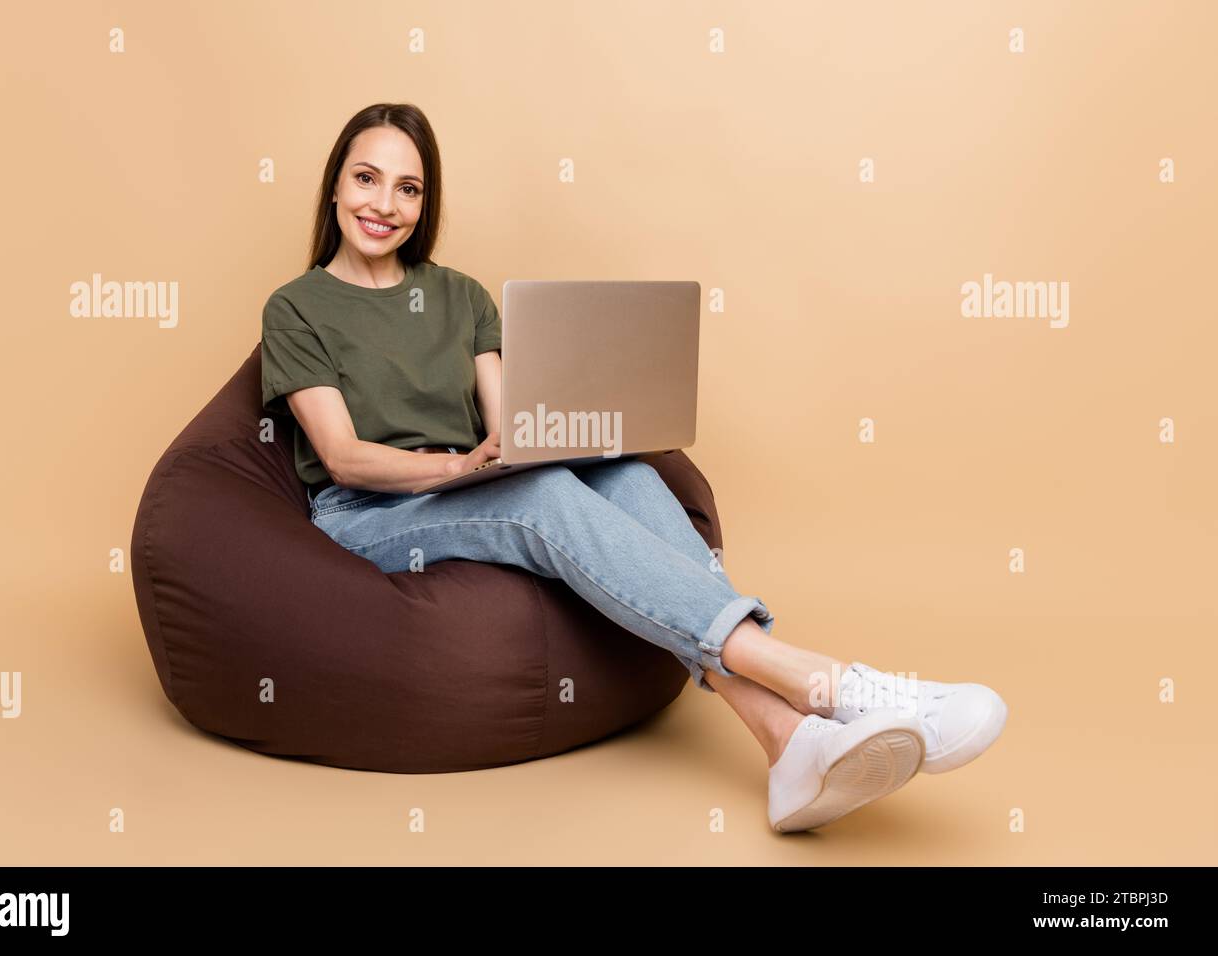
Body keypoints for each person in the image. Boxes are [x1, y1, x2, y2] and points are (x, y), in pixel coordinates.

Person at [259, 103, 1008, 833]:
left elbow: (508, 427)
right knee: (544, 497)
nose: (384, 204)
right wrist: (461, 469)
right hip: (369, 515)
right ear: (334, 186)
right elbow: (341, 454)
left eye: (408, 188)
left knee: (634, 479)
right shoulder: (296, 307)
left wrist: (566, 430)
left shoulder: (461, 297)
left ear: (427, 201)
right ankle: (838, 685)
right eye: (366, 179)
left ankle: (788, 745)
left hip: (473, 482)